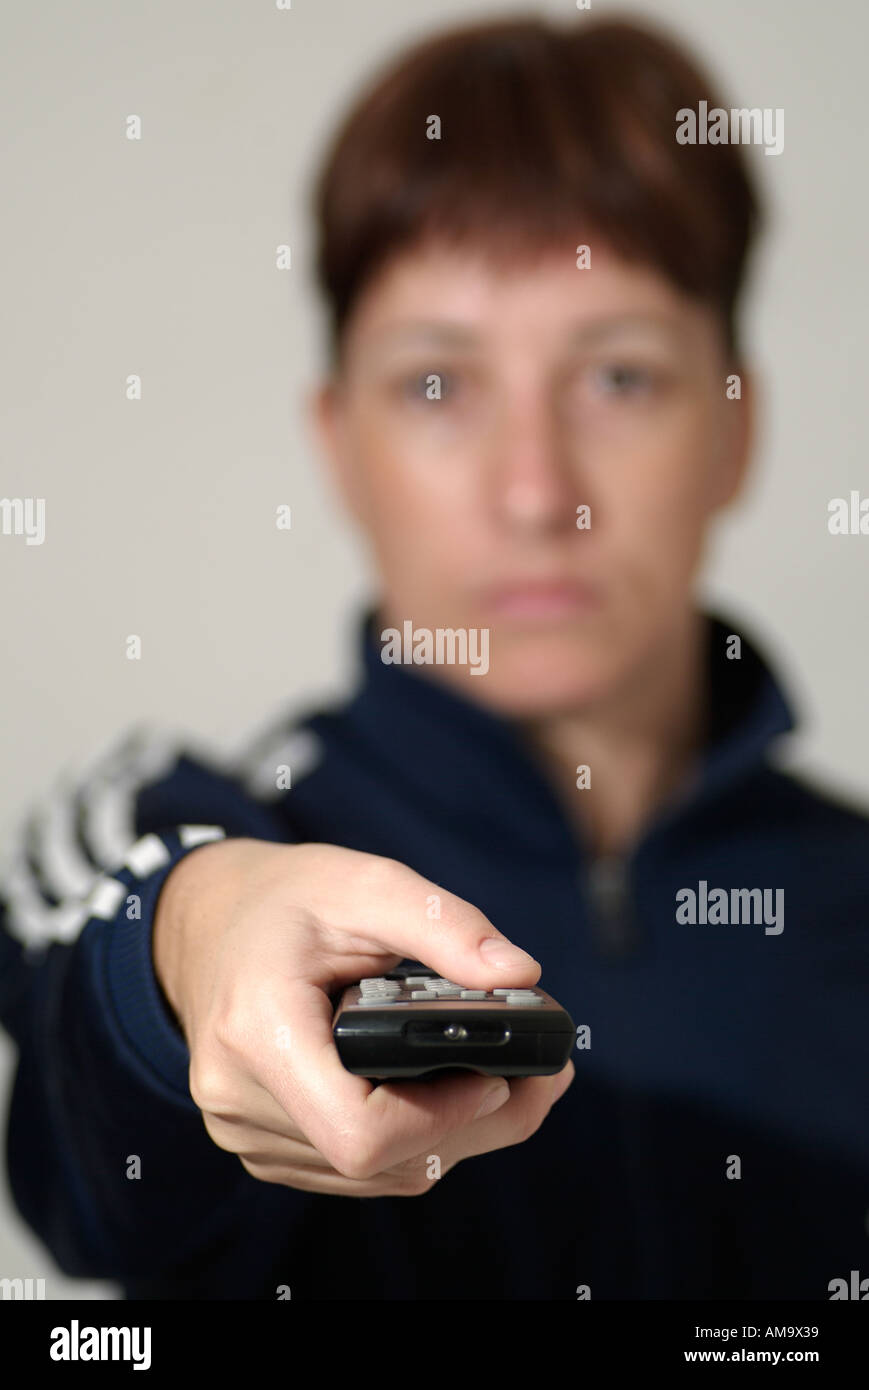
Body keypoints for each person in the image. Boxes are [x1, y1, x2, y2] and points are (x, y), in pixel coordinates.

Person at [1, 14, 867, 1302]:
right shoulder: (193, 829)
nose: (535, 490)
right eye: (435, 385)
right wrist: (193, 941)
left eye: (620, 377)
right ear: (337, 442)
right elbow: (91, 1087)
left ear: (735, 430)